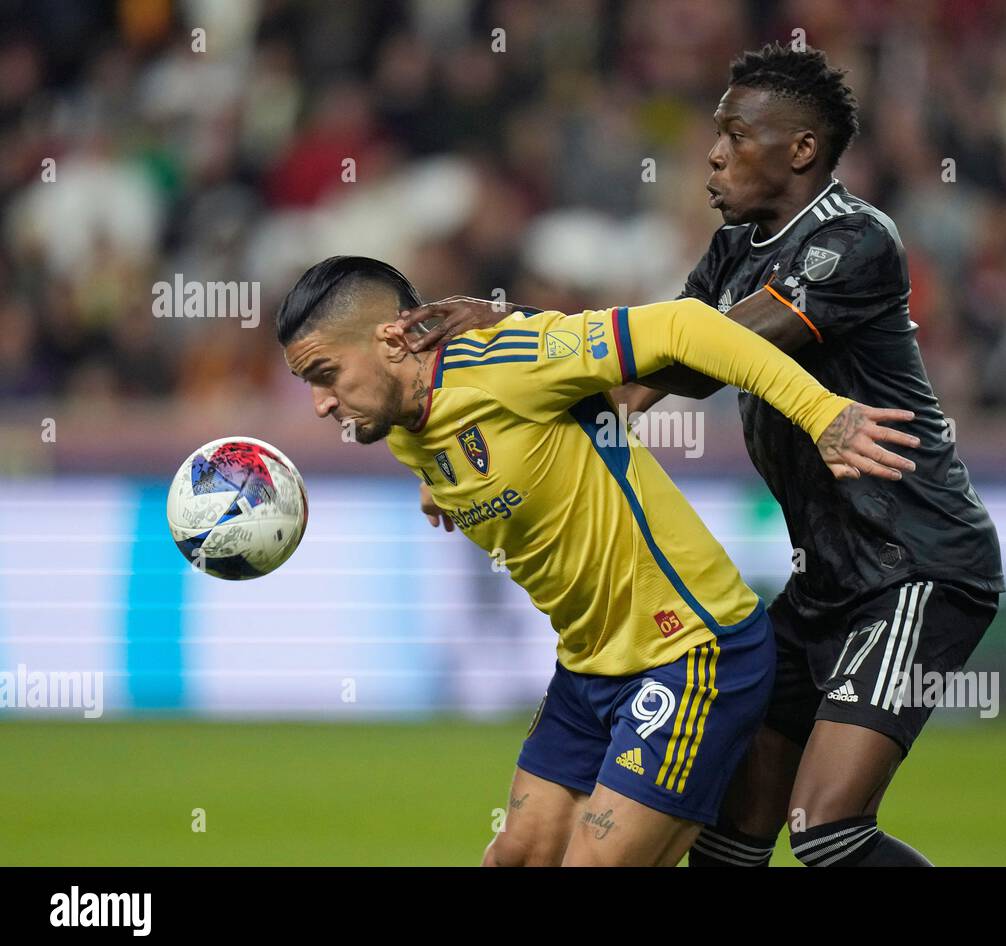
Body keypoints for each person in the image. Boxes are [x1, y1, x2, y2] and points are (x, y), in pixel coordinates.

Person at [400, 42, 1004, 867]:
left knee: (826, 831)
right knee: (725, 842)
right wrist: (480, 455)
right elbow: (627, 381)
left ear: (800, 150)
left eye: (734, 133)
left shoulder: (855, 240)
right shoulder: (733, 251)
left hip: (915, 567)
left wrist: (512, 328)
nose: (712, 154)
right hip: (825, 580)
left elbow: (704, 346)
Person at [278, 254, 919, 866]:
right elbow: (472, 446)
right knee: (517, 857)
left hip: (690, 653)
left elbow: (685, 325)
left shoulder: (508, 360)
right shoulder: (401, 425)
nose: (321, 404)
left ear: (393, 343)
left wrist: (821, 413)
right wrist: (443, 485)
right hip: (589, 666)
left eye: (325, 374)